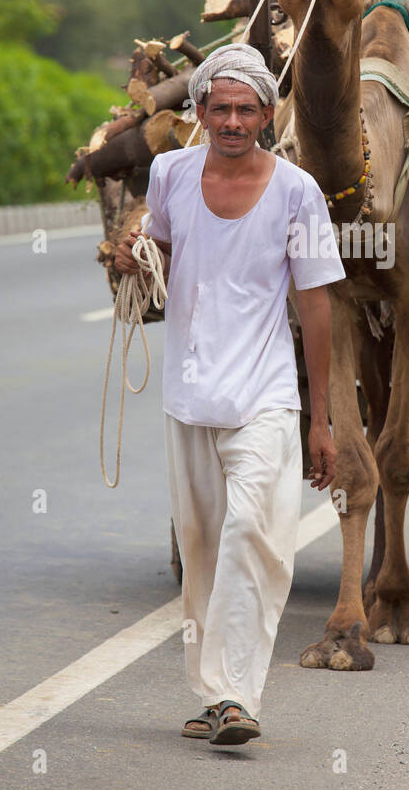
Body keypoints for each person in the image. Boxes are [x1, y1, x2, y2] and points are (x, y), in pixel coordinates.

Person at [114, 43, 345, 747]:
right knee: (203, 546)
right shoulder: (170, 173)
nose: (234, 121)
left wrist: (321, 420)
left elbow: (315, 306)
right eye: (222, 108)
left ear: (268, 116)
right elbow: (152, 255)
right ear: (201, 112)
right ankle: (212, 694)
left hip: (265, 395)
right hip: (188, 394)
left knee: (255, 534)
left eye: (247, 109)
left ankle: (237, 697)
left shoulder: (298, 191)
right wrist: (130, 255)